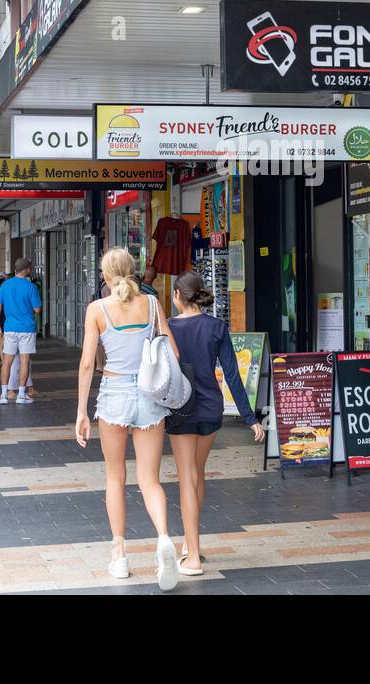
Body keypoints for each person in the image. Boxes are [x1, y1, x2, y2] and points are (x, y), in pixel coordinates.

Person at [75, 247, 181, 589]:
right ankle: (164, 537)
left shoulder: (97, 309)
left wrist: (81, 412)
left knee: (114, 477)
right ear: (133, 271)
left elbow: (89, 363)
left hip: (114, 394)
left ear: (105, 276)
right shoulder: (151, 304)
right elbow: (173, 352)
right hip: (149, 395)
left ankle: (119, 556)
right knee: (150, 479)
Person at [167, 270, 263, 576]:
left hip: (180, 408)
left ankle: (192, 555)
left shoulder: (167, 328)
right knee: (197, 472)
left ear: (178, 297)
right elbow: (233, 375)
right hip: (210, 408)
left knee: (187, 478)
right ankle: (189, 543)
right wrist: (250, 418)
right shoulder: (216, 327)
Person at [0, 260, 41, 405]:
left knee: (7, 361)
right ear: (27, 270)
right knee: (24, 361)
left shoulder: (6, 285)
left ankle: (4, 395)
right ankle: (21, 395)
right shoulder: (31, 286)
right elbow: (37, 309)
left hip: (9, 328)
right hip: (27, 328)